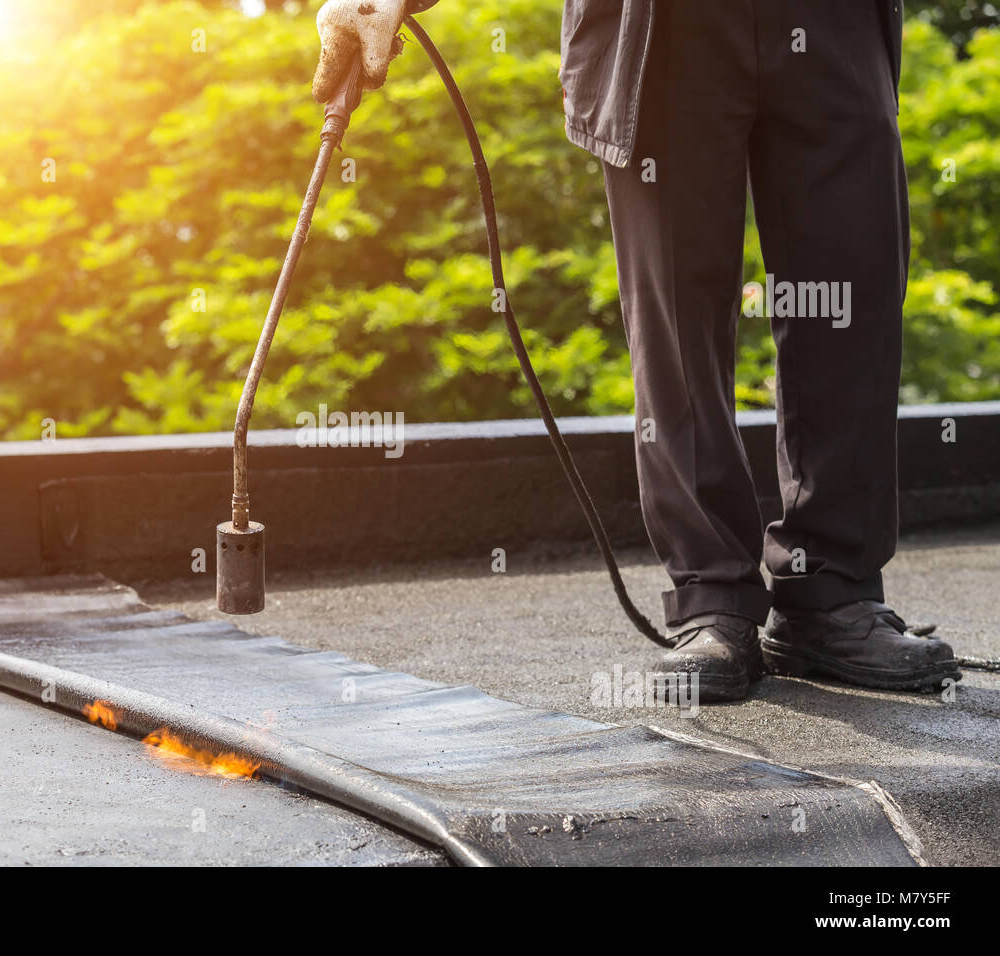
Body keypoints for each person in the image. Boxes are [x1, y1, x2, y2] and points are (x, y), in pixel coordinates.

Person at [311, 0, 962, 701]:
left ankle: (832, 595)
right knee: (675, 315)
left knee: (849, 298)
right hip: (661, 27)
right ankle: (713, 599)